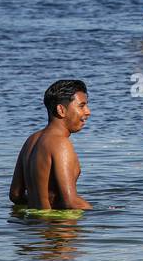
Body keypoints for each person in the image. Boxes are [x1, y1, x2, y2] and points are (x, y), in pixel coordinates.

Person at [10, 79, 93, 211]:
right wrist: (106, 216)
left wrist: (40, 208)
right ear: (61, 110)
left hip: (35, 227)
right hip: (57, 228)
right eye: (81, 106)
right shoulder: (61, 144)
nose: (88, 111)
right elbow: (70, 202)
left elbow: (15, 195)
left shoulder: (31, 140)